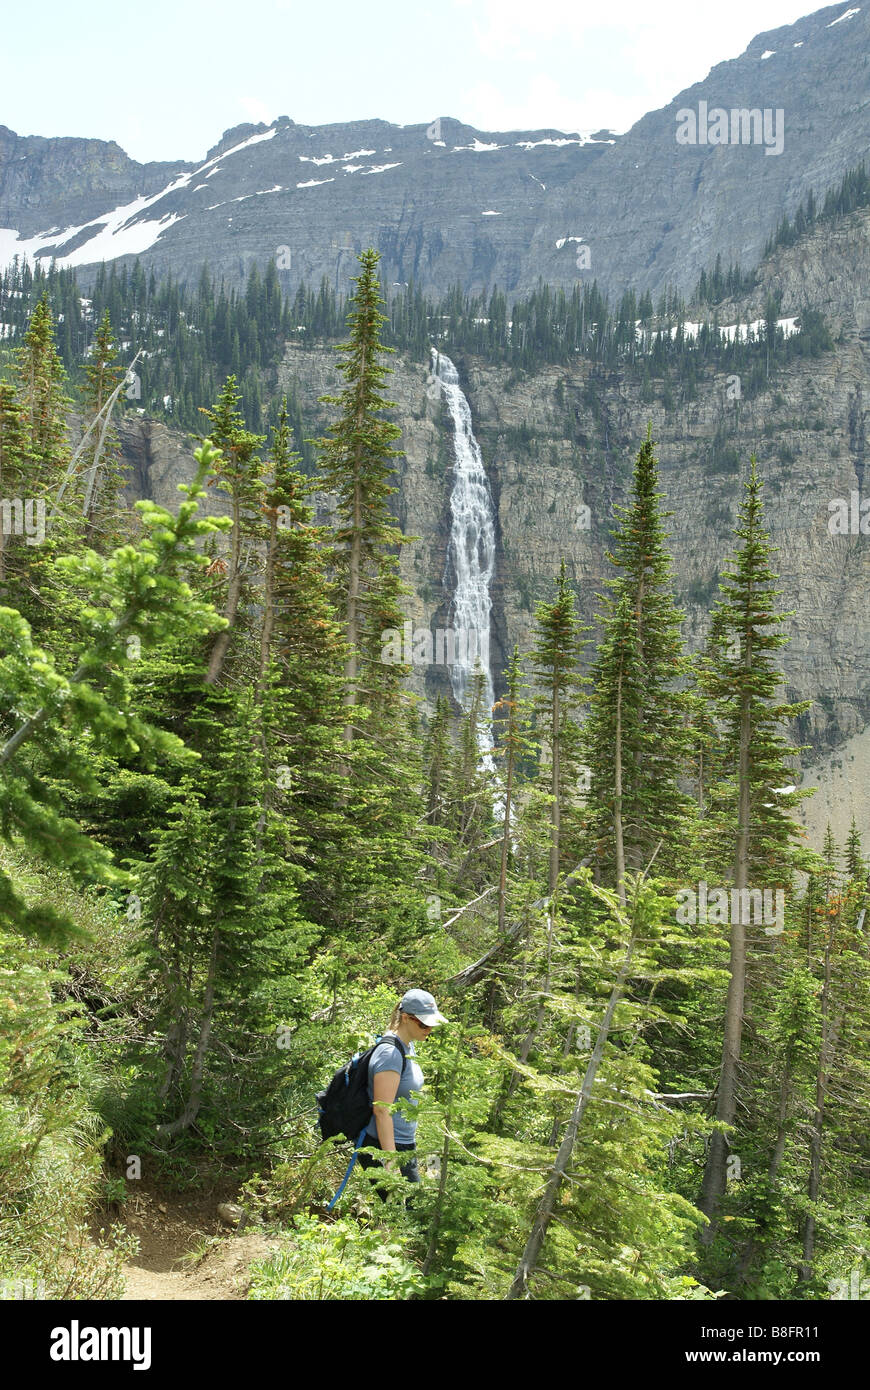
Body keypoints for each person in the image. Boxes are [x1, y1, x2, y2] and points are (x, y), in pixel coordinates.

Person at [357, 988, 447, 1198]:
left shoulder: (408, 1046)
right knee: (408, 1213)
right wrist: (391, 1163)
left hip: (403, 1143)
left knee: (402, 1214)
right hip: (384, 1145)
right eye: (424, 1024)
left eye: (432, 1024)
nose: (429, 1029)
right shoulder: (390, 1053)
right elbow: (382, 1110)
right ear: (406, 1018)